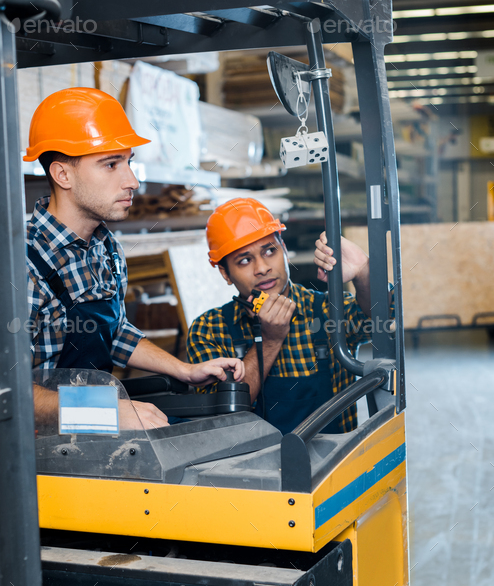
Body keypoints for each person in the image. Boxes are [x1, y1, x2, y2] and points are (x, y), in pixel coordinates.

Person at [23, 88, 244, 429]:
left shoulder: (106, 248)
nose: (133, 181)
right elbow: (4, 390)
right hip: (32, 456)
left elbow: (113, 333)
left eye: (128, 162)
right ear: (62, 174)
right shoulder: (21, 265)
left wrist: (183, 369)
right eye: (111, 164)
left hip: (87, 433)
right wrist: (104, 410)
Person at [187, 197, 372, 435]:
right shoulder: (210, 329)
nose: (262, 268)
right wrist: (269, 340)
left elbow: (384, 322)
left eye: (269, 251)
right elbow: (220, 419)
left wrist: (363, 272)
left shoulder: (326, 310)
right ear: (225, 273)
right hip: (250, 470)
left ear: (284, 250)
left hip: (334, 468)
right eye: (244, 260)